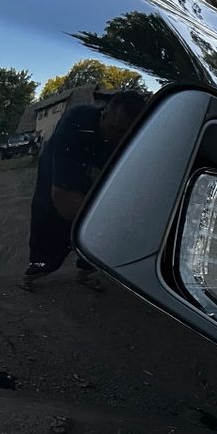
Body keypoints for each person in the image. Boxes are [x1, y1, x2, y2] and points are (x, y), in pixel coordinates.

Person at [24, 90, 146, 289]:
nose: (115, 137)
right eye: (114, 128)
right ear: (104, 112)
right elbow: (61, 196)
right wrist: (101, 227)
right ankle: (29, 277)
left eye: (126, 133)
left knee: (100, 243)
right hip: (56, 174)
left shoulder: (130, 139)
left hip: (94, 178)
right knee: (47, 231)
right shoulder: (77, 123)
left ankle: (84, 274)